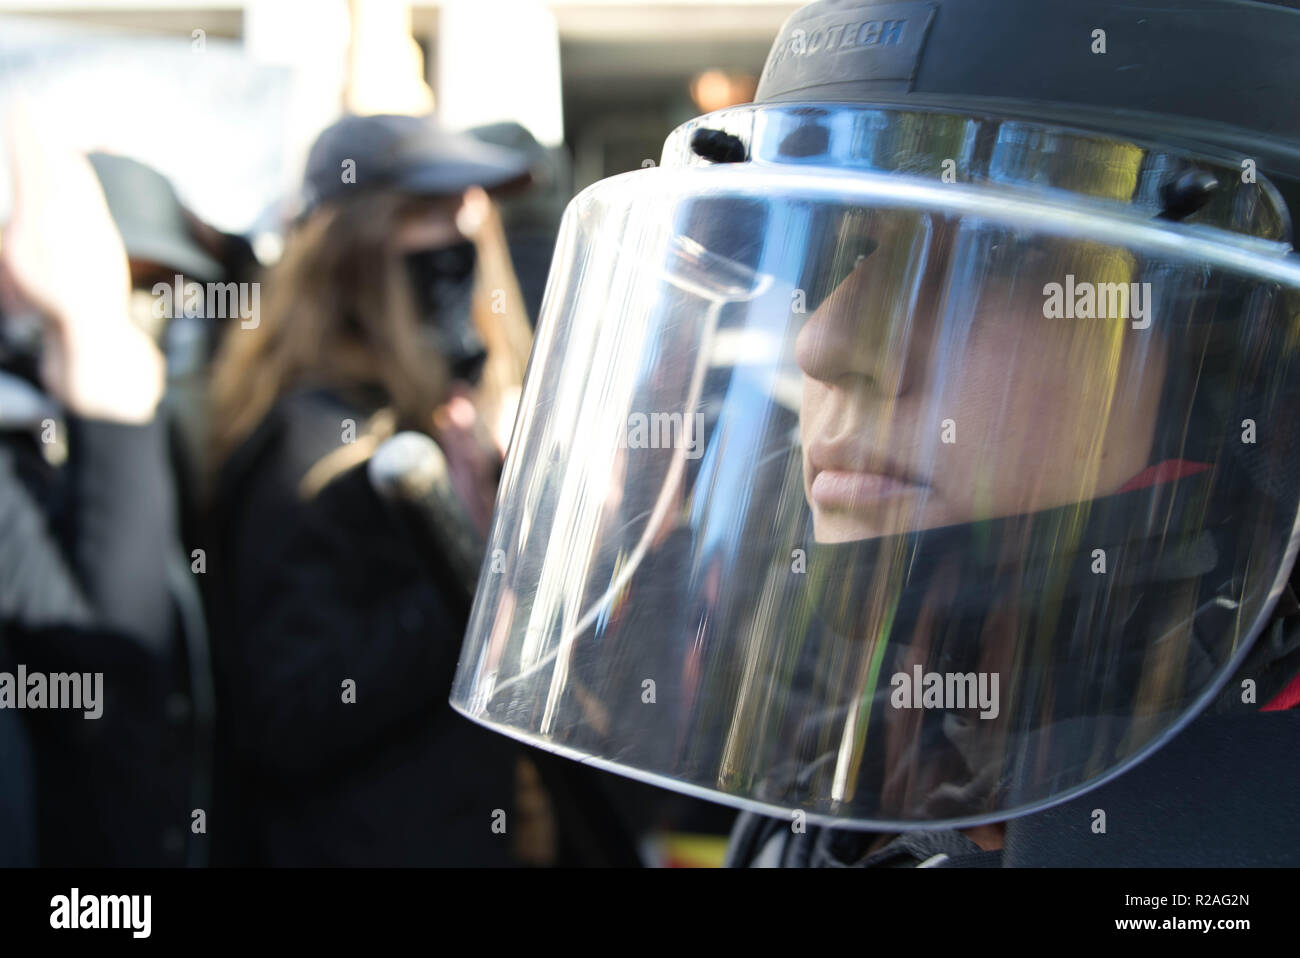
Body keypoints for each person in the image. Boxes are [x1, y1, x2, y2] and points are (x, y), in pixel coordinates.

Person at [447, 0, 1300, 867]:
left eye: (996, 254)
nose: (826, 342)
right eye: (848, 248)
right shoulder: (851, 742)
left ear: (1227, 366)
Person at [204, 112, 550, 866]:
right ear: (353, 251)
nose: (461, 231)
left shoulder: (429, 417)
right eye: (426, 211)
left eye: (468, 206)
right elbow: (288, 714)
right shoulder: (315, 443)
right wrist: (467, 552)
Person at [0, 113, 198, 865]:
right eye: (121, 283)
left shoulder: (161, 429)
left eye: (159, 290)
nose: (138, 314)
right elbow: (102, 694)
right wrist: (96, 365)